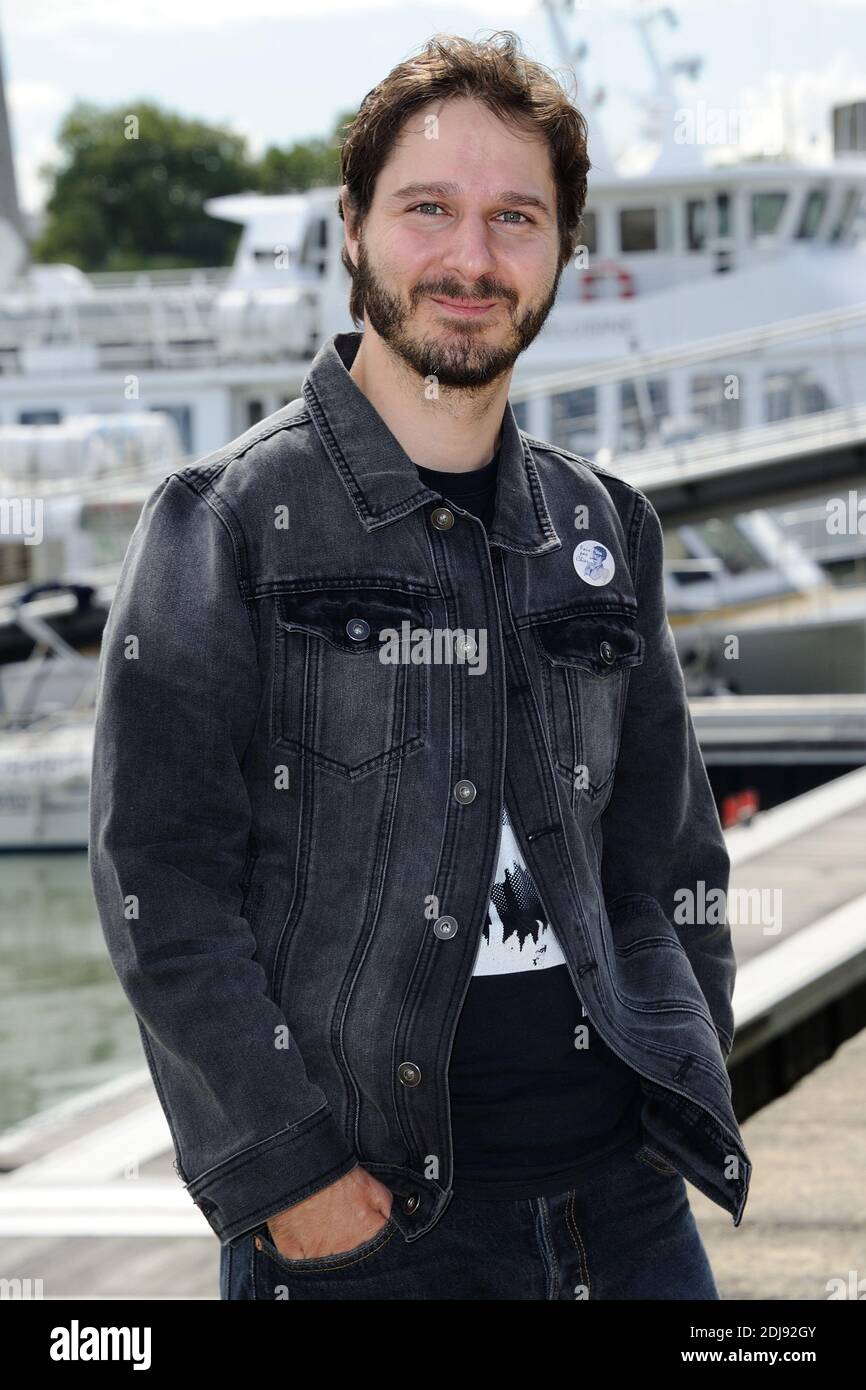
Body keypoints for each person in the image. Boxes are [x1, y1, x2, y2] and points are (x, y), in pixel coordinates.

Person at [89, 31, 750, 1301]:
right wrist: (287, 1179)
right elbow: (158, 879)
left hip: (624, 1213)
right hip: (367, 1234)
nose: (470, 257)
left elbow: (667, 861)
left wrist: (684, 1066)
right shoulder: (221, 521)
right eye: (427, 210)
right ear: (353, 229)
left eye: (515, 217)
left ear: (561, 249)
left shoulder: (604, 527)